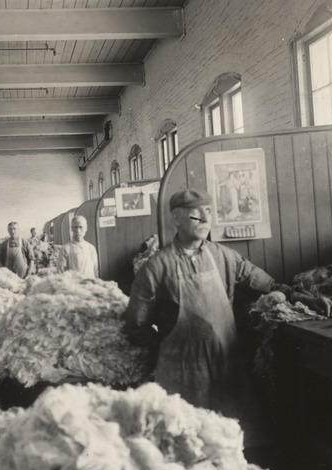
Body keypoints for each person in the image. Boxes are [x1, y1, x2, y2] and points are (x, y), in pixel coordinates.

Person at [123, 189, 297, 450]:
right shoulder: (157, 267)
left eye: (210, 213)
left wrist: (280, 288)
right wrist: (166, 349)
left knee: (231, 445)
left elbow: (252, 275)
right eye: (196, 215)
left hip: (226, 367)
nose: (205, 219)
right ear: (176, 219)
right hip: (182, 374)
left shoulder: (222, 256)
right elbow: (137, 325)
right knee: (185, 447)